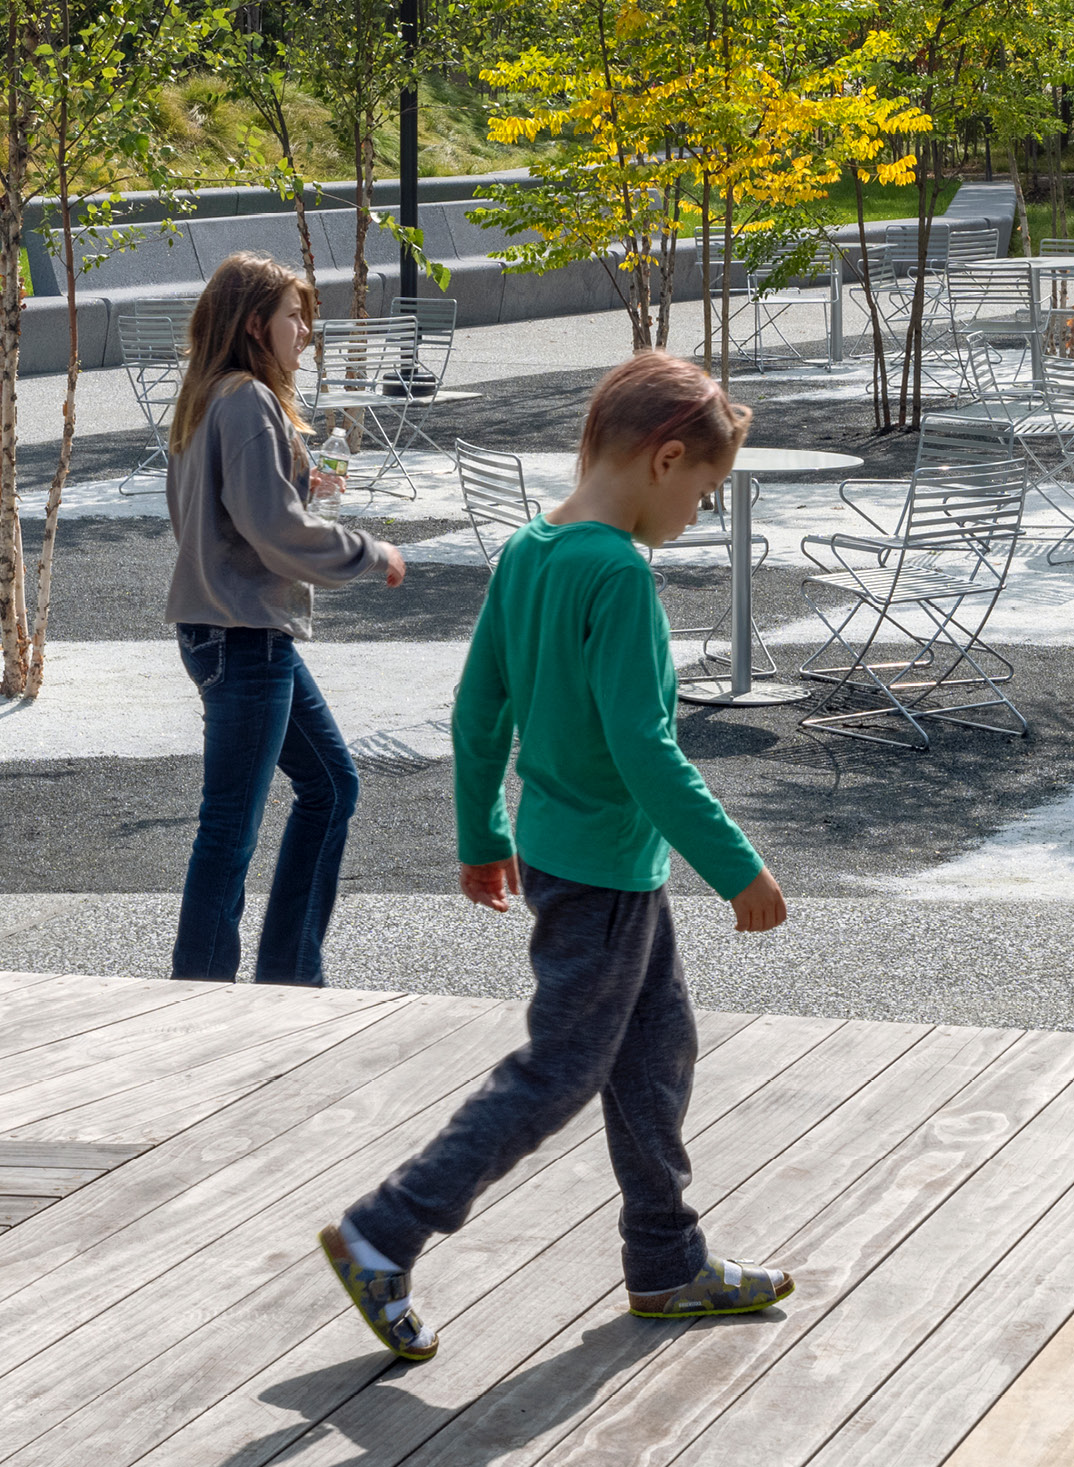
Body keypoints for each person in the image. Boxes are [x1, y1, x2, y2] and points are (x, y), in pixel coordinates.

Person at [319, 350, 796, 1363]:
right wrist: (737, 866)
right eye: (705, 495)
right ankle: (387, 1228)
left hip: (570, 858)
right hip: (607, 874)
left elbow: (478, 706)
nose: (699, 518)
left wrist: (481, 834)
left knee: (654, 1051)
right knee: (560, 1070)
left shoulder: (533, 551)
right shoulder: (617, 574)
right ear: (667, 460)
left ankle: (668, 1261)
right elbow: (645, 745)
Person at [163, 253, 406, 986]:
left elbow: (230, 506)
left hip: (227, 632)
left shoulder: (210, 396)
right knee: (230, 829)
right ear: (252, 325)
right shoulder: (245, 401)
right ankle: (203, 993)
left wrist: (298, 478)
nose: (306, 331)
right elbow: (272, 531)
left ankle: (288, 975)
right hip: (244, 637)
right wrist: (370, 552)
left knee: (331, 788)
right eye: (294, 317)